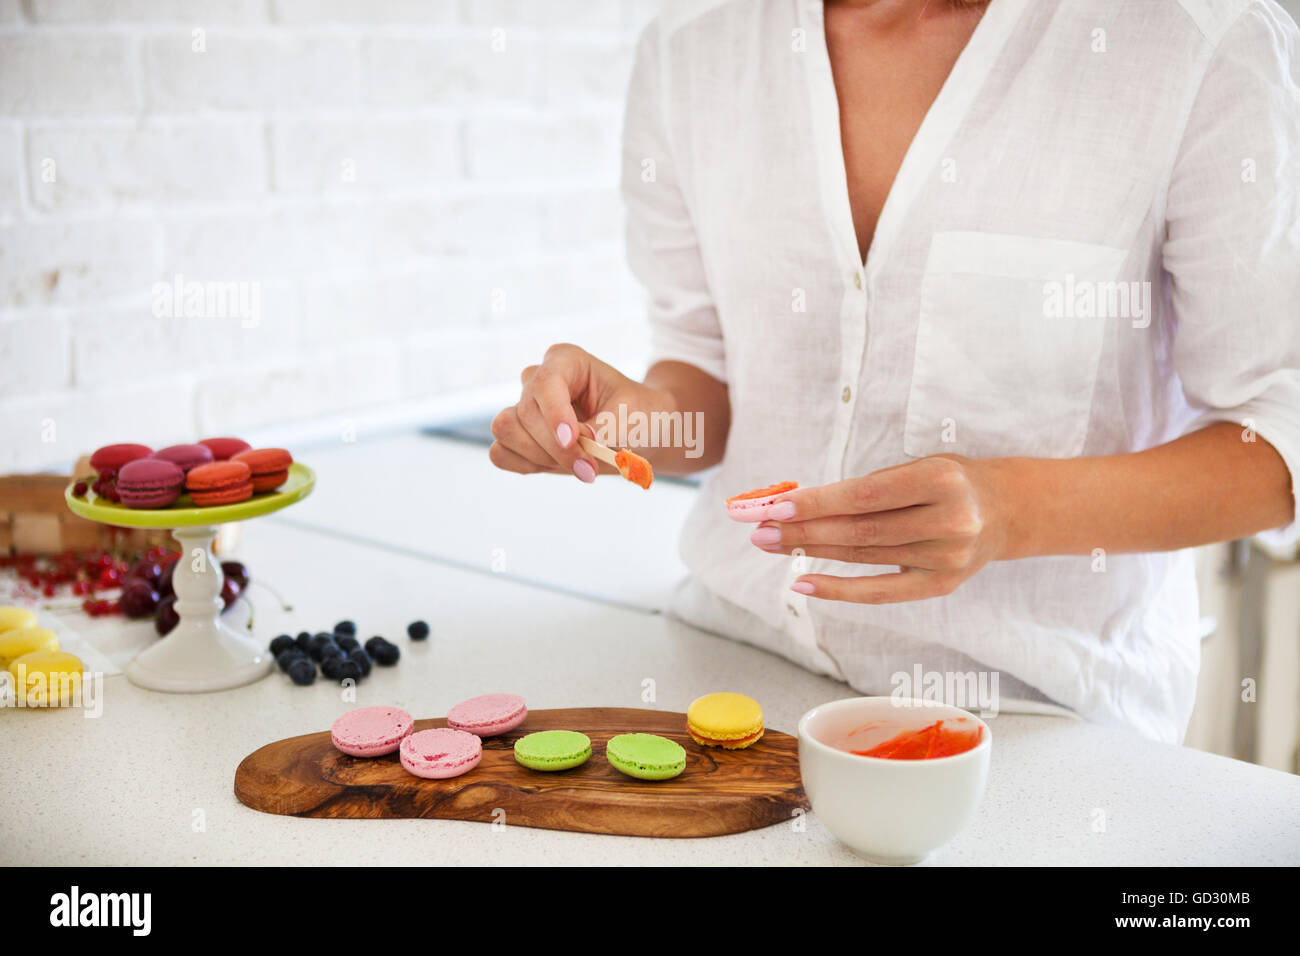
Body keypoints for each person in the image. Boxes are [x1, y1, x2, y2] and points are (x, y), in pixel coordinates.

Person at [488, 0, 1300, 743]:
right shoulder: (692, 44)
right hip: (729, 663)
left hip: (1039, 717)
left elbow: (1280, 434)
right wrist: (629, 423)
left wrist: (1012, 509)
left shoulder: (1201, 42)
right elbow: (706, 378)